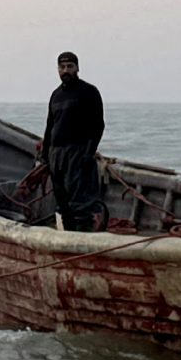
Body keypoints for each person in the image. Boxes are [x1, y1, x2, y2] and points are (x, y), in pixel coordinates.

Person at [38, 51, 108, 232]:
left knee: (80, 203)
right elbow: (49, 126)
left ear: (77, 68)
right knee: (62, 202)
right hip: (57, 155)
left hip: (78, 153)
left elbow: (98, 125)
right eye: (62, 67)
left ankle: (83, 237)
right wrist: (45, 156)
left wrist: (89, 153)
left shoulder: (89, 92)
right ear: (57, 70)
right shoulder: (55, 96)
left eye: (70, 66)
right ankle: (68, 236)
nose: (66, 70)